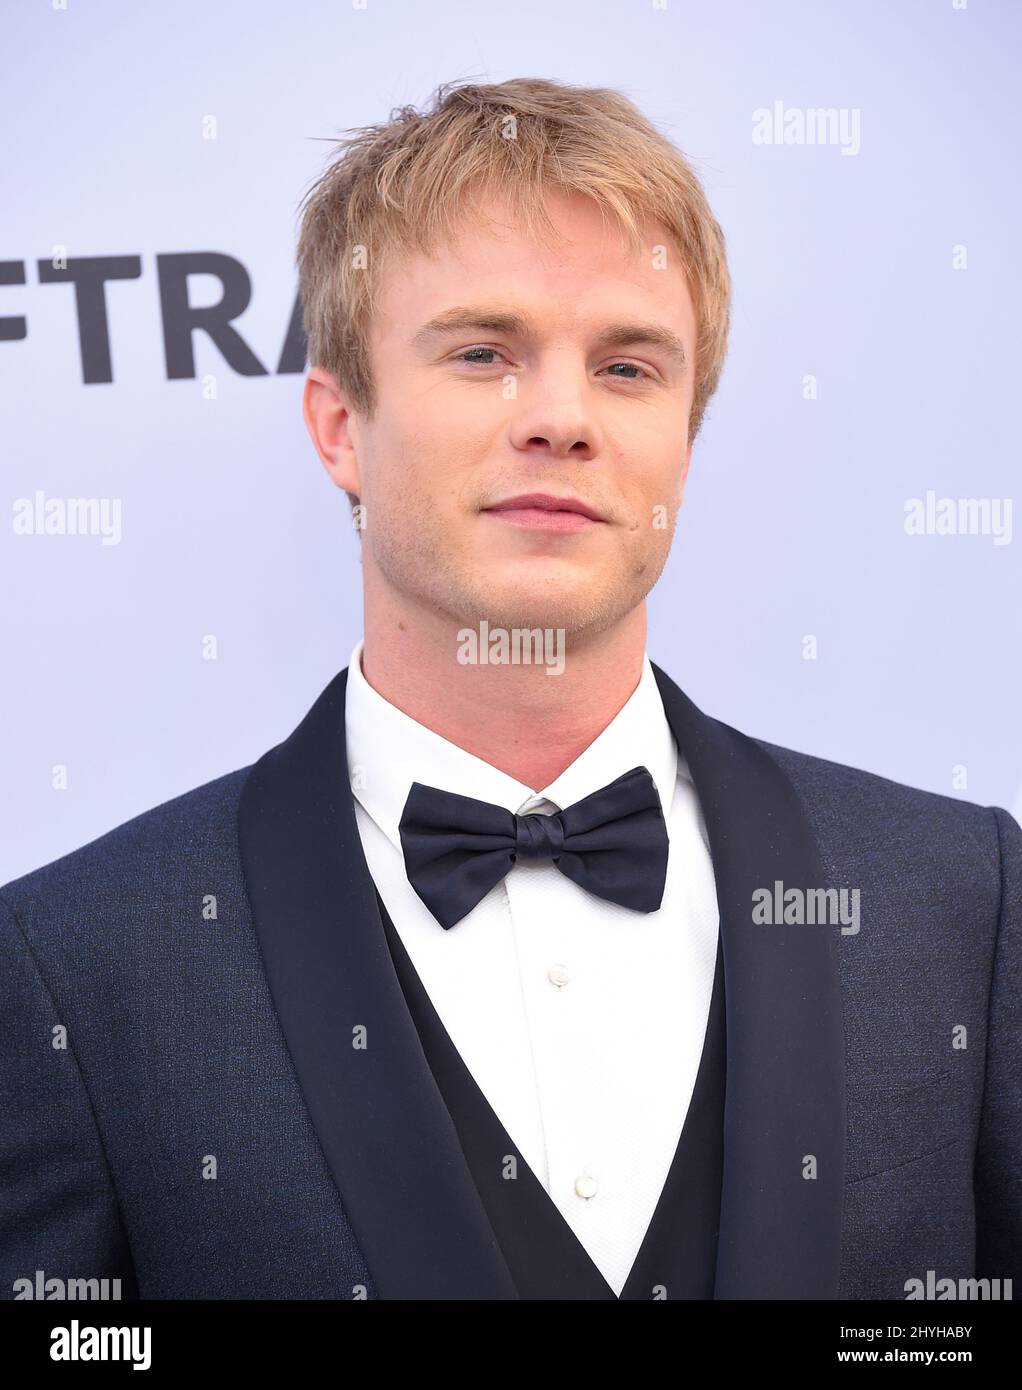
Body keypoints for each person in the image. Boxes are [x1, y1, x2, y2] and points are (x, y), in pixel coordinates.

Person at [2, 78, 1018, 1302]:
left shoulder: (960, 901)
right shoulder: (77, 963)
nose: (560, 418)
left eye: (628, 367)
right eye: (483, 352)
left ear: (684, 441)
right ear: (337, 426)